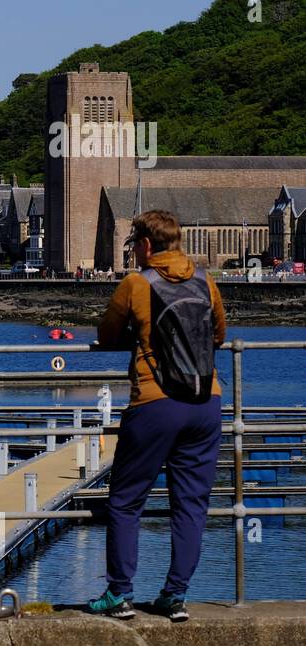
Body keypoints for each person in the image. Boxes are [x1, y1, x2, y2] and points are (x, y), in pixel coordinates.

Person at [88, 209, 225, 622]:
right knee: (191, 505)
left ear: (147, 245)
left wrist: (137, 334)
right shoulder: (205, 281)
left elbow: (106, 334)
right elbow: (219, 335)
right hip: (206, 402)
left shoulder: (136, 283)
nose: (133, 252)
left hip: (155, 402)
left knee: (127, 501)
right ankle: (175, 596)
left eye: (134, 245)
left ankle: (119, 593)